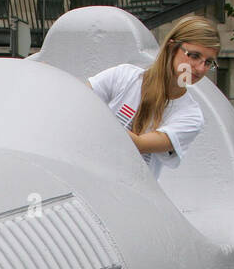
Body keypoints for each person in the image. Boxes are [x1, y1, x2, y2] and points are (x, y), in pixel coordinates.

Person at [87, 14, 221, 178]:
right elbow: (78, 99)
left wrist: (93, 113)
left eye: (208, 62)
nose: (200, 68)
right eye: (194, 56)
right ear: (172, 47)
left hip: (130, 197)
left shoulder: (191, 116)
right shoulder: (123, 76)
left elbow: (139, 145)